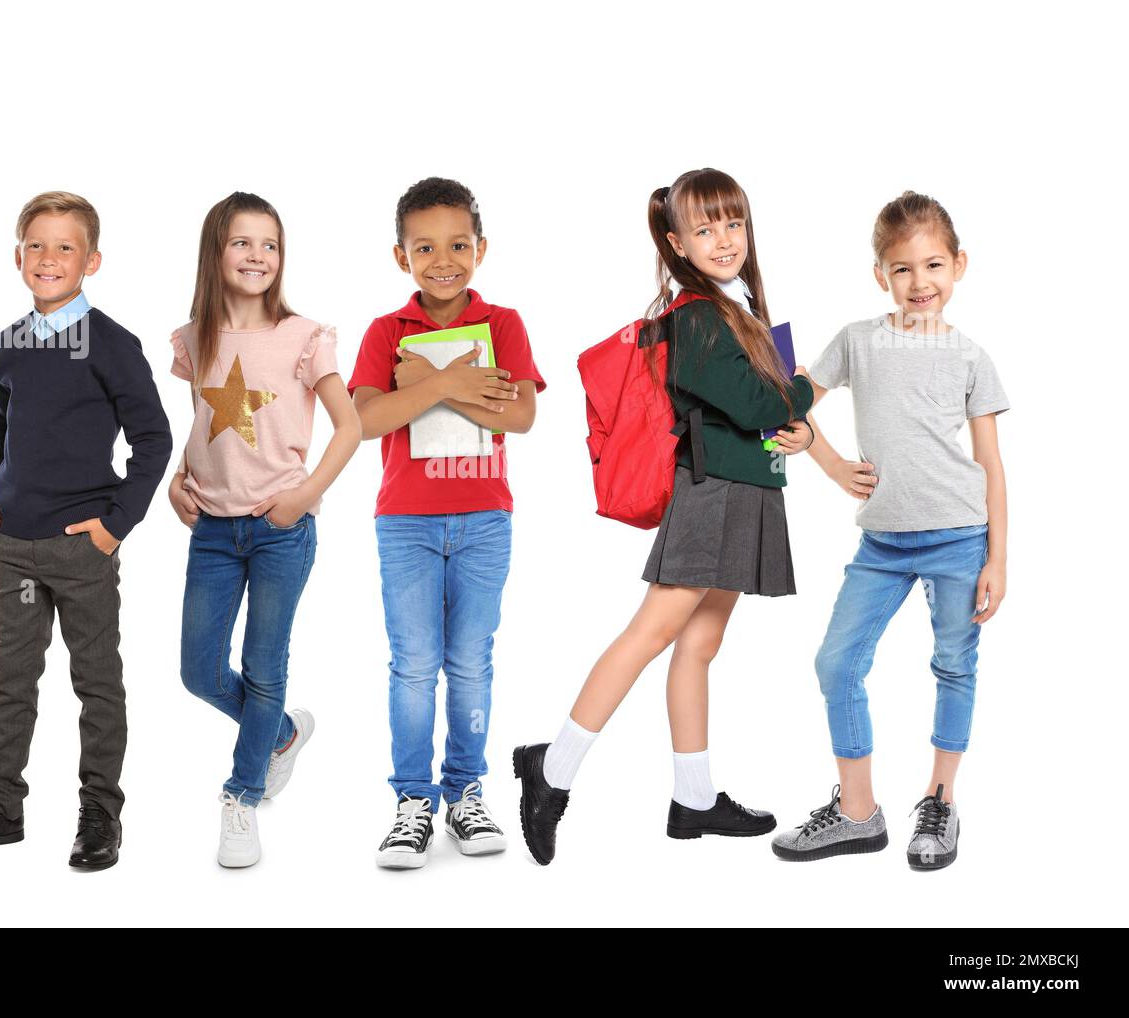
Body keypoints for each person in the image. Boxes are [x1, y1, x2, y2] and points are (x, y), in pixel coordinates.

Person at [513, 168, 815, 865]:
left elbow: (773, 420)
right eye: (704, 228)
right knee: (650, 633)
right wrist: (805, 388)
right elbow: (762, 405)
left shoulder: (745, 310)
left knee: (700, 645)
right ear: (677, 243)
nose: (723, 239)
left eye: (732, 223)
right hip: (711, 496)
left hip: (750, 492)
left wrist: (793, 423)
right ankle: (549, 771)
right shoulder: (700, 317)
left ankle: (694, 799)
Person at [0, 191, 173, 870]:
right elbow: (5, 426)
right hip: (18, 550)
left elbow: (152, 438)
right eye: (37, 245)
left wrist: (116, 526)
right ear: (18, 256)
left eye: (65, 247)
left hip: (82, 550)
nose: (49, 258)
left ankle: (100, 815)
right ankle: (0, 806)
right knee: (13, 681)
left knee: (96, 682)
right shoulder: (9, 344)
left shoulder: (112, 345)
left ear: (91, 260)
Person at [772, 191, 1009, 870]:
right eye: (902, 269)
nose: (920, 282)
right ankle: (856, 812)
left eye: (933, 264)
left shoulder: (971, 357)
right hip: (881, 544)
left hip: (960, 537)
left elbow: (991, 465)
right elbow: (789, 402)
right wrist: (833, 464)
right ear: (882, 275)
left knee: (954, 664)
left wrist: (998, 557)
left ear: (958, 265)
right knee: (836, 663)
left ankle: (939, 802)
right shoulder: (858, 340)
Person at [347, 177, 545, 868]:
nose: (443, 259)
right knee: (414, 665)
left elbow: (520, 414)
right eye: (424, 246)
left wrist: (423, 388)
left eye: (458, 244)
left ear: (481, 248)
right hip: (406, 523)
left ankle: (465, 793)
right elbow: (366, 422)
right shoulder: (384, 331)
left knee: (469, 662)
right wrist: (451, 383)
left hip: (486, 519)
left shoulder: (504, 325)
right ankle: (413, 802)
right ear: (401, 256)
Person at [168, 191, 360, 868]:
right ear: (215, 253)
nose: (257, 256)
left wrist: (305, 495)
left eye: (269, 244)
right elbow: (201, 421)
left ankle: (242, 797)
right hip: (213, 533)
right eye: (242, 243)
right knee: (197, 670)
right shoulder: (195, 337)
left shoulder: (306, 336)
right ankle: (278, 732)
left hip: (281, 530)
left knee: (263, 663)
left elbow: (352, 425)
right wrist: (176, 479)